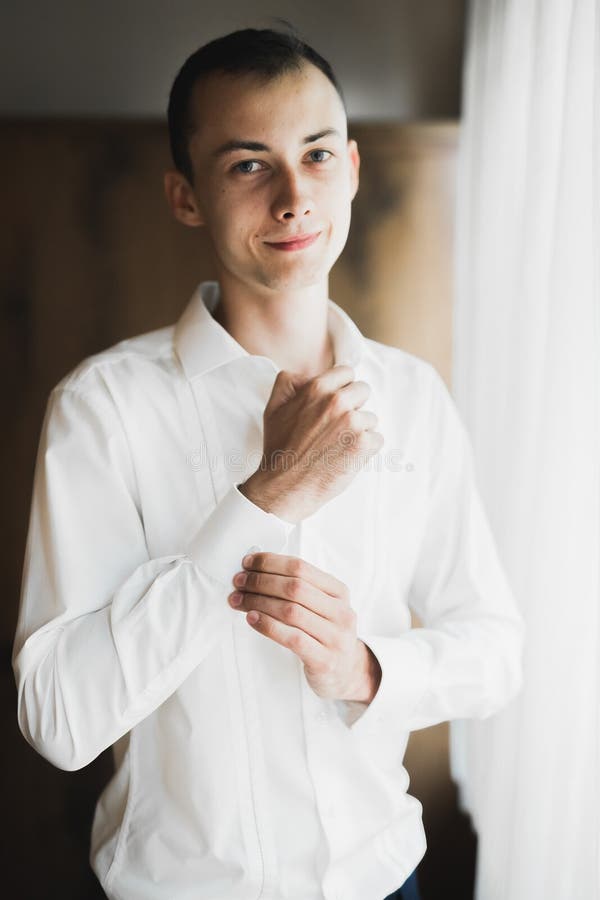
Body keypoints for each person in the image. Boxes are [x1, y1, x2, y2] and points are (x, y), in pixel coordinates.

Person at [12, 25, 525, 900]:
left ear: (352, 170)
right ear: (186, 195)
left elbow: (495, 650)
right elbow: (59, 720)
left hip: (383, 877)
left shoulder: (413, 398)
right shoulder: (103, 408)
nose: (294, 198)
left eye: (316, 155)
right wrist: (264, 495)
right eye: (249, 164)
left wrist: (367, 670)